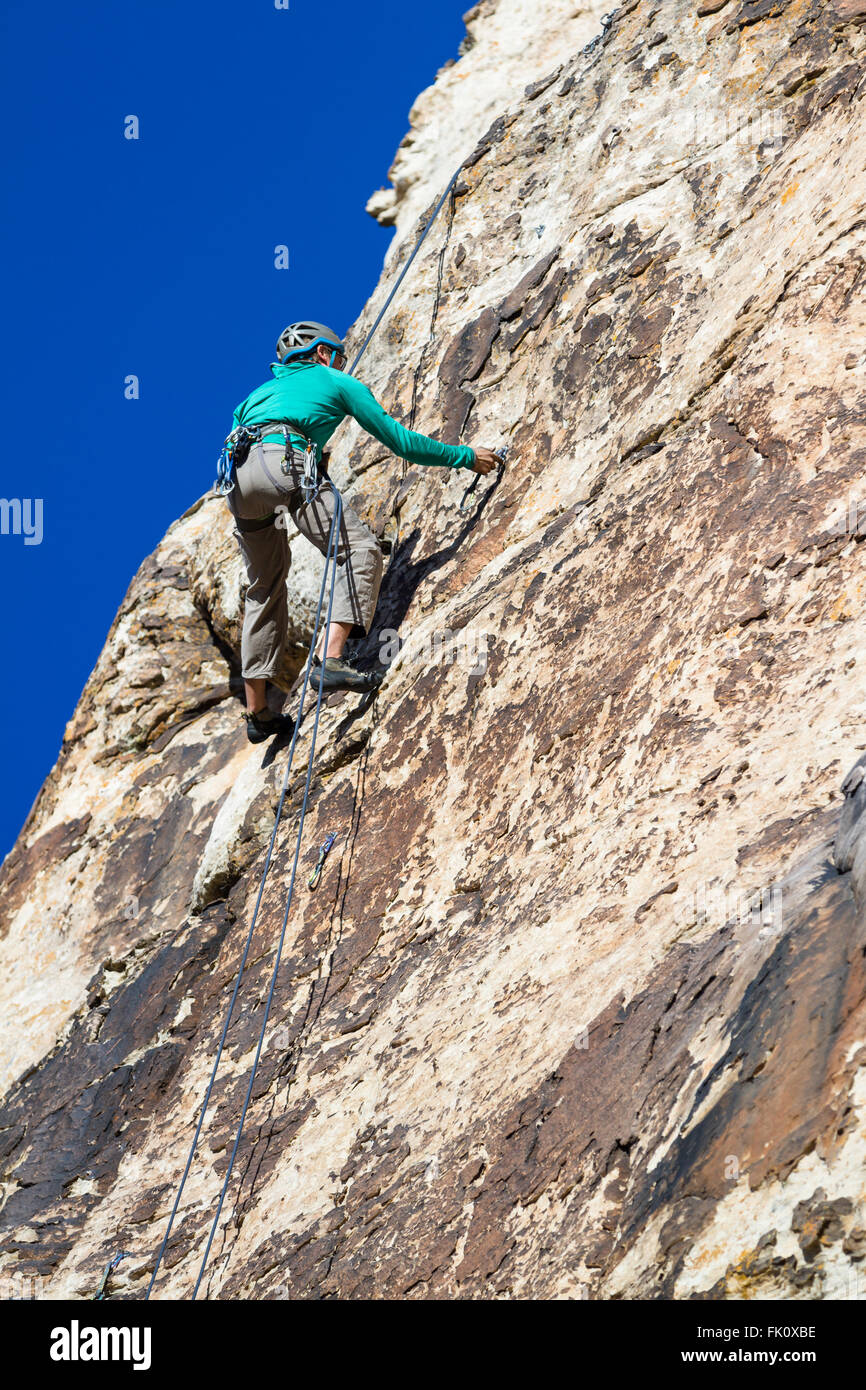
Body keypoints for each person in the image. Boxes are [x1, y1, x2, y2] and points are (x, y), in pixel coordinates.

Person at [223, 321, 502, 743]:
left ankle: (258, 709)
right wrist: (464, 457)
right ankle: (331, 660)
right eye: (338, 353)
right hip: (284, 461)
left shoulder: (254, 397)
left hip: (239, 484)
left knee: (264, 587)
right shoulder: (337, 381)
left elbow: (236, 442)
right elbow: (401, 442)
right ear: (321, 354)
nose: (341, 361)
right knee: (359, 550)